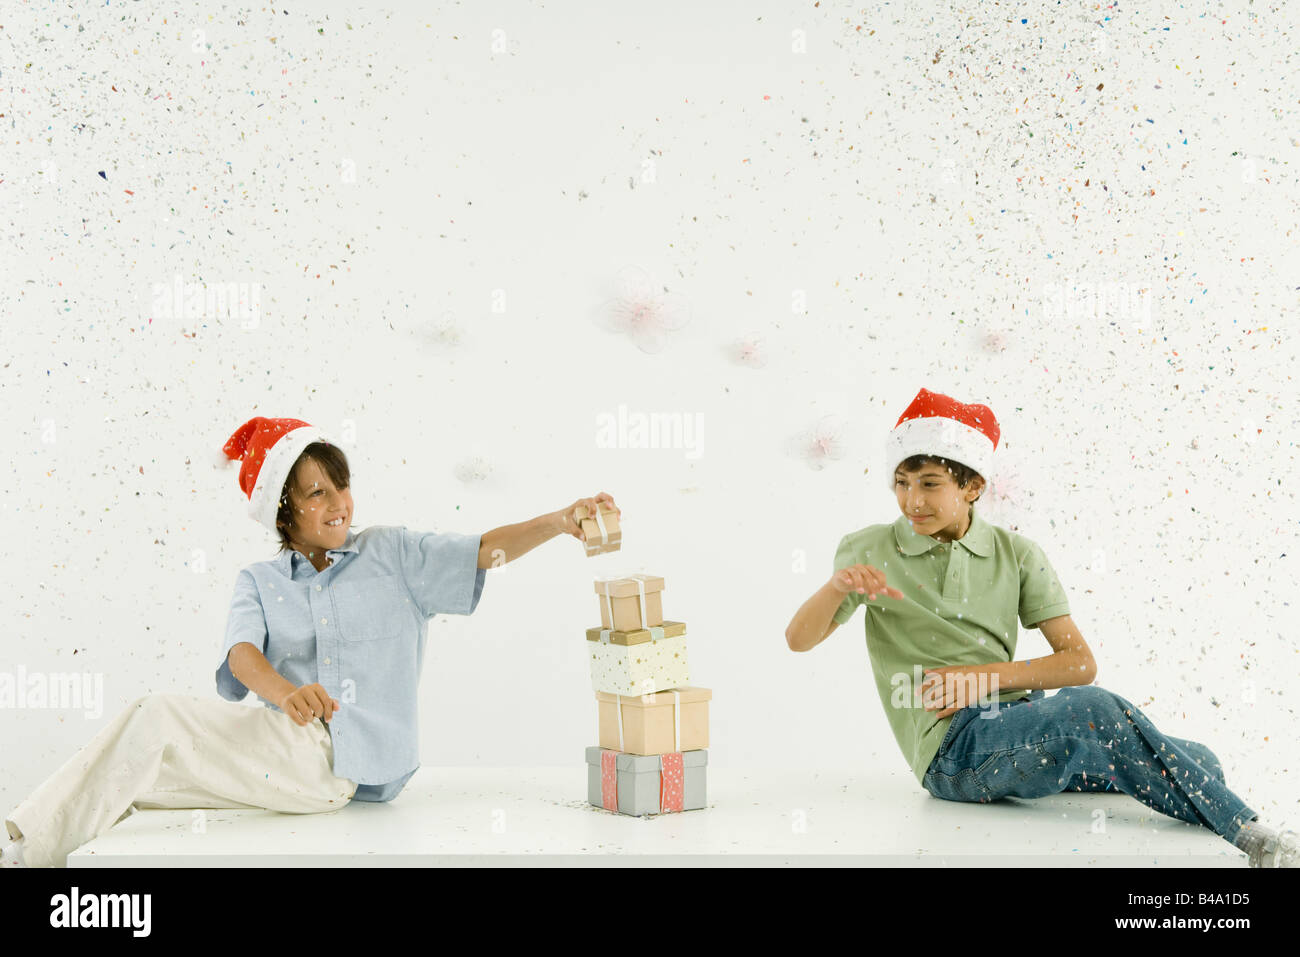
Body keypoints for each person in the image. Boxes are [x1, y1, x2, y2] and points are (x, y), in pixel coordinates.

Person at [2, 415, 618, 867]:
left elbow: (485, 550)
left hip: (336, 765)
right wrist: (286, 692)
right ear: (283, 510)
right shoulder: (260, 581)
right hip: (289, 756)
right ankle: (39, 856)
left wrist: (561, 521)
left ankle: (22, 853)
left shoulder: (393, 554)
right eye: (316, 491)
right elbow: (242, 653)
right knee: (133, 777)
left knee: (155, 718)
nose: (338, 502)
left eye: (341, 485)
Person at [784, 387, 1296, 867]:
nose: (912, 500)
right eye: (902, 483)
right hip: (953, 751)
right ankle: (1250, 834)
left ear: (973, 486)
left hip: (1022, 727)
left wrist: (983, 678)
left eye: (930, 484)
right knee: (1098, 715)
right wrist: (837, 586)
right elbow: (799, 640)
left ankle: (1148, 782)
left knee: (1199, 759)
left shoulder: (1018, 554)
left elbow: (1079, 662)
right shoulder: (868, 548)